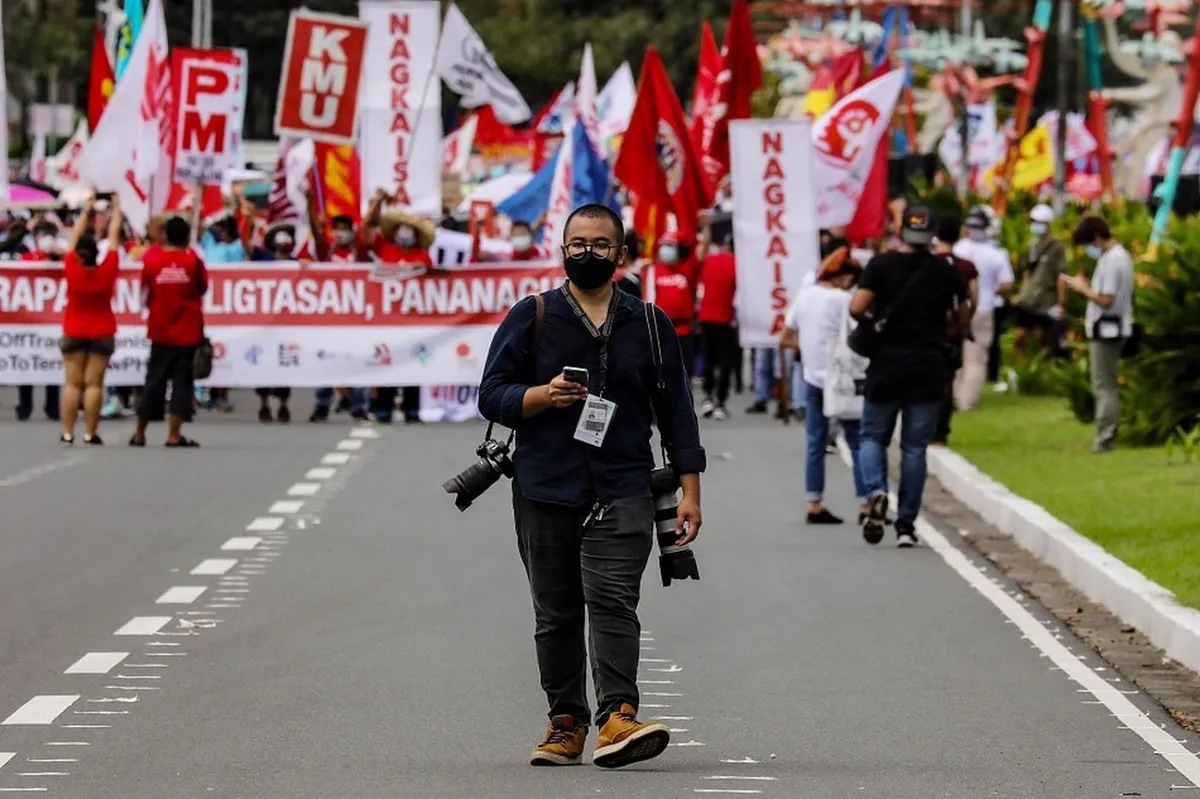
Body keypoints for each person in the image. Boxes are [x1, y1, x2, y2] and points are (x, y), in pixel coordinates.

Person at [478, 203, 704, 770]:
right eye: (577, 244)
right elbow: (491, 393)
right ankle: (565, 723)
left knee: (613, 602)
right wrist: (540, 396)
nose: (588, 253)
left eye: (601, 244)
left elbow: (677, 412)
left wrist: (691, 491)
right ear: (562, 250)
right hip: (543, 487)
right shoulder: (532, 315)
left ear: (621, 254)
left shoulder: (649, 323)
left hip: (624, 485)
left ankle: (619, 716)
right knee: (555, 613)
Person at [850, 204, 970, 548]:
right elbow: (962, 316)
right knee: (915, 448)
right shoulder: (946, 271)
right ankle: (906, 525)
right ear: (932, 234)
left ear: (901, 230)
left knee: (872, 437)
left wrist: (877, 322)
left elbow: (856, 307)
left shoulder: (880, 265)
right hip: (928, 367)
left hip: (886, 366)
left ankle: (876, 491)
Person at [780, 245, 867, 524]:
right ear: (845, 277)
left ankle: (814, 503)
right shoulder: (843, 301)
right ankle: (865, 505)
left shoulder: (805, 297)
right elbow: (858, 337)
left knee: (815, 443)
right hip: (841, 381)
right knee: (856, 441)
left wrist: (807, 347)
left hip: (811, 379)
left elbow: (785, 337)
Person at [130, 216, 208, 448]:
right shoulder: (193, 260)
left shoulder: (152, 260)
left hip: (160, 330)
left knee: (153, 382)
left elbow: (144, 293)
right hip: (187, 332)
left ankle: (139, 432)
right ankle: (174, 435)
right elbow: (202, 287)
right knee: (182, 384)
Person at [1061, 215, 1135, 453]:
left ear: (1096, 237)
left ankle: (1105, 438)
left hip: (1107, 329)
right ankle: (1106, 435)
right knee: (1106, 384)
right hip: (1113, 326)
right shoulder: (1118, 256)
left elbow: (1106, 299)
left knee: (1104, 387)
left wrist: (1082, 289)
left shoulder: (1113, 260)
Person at [59, 195, 123, 445]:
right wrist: (117, 208)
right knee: (94, 384)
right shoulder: (107, 271)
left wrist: (87, 208)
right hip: (102, 330)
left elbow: (74, 237)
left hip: (74, 329)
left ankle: (67, 432)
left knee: (72, 384)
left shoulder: (71, 268)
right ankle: (90, 432)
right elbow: (114, 238)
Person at [953, 208, 1014, 410]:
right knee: (976, 358)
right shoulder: (996, 254)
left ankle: (953, 395)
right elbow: (1007, 282)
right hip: (983, 307)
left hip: (958, 307)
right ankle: (966, 400)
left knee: (956, 355)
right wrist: (990, 289)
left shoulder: (958, 249)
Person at [931, 216, 978, 447]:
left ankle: (925, 426)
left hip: (929, 331)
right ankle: (940, 432)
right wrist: (964, 322)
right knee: (947, 381)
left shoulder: (929, 264)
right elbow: (973, 297)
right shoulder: (965, 266)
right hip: (952, 332)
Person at [1013, 203, 1067, 361]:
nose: (1036, 226)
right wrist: (1022, 294)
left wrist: (1061, 303)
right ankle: (1019, 367)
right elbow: (1027, 272)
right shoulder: (1032, 246)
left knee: (1045, 339)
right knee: (1020, 336)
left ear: (1048, 224)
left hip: (1046, 300)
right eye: (1034, 222)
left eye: (1039, 222)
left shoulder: (1057, 248)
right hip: (1030, 299)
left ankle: (1043, 368)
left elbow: (1061, 276)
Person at [696, 234, 738, 420]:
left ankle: (707, 397)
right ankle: (720, 401)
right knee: (725, 361)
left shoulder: (709, 259)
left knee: (709, 359)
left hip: (706, 316)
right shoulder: (737, 264)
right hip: (726, 318)